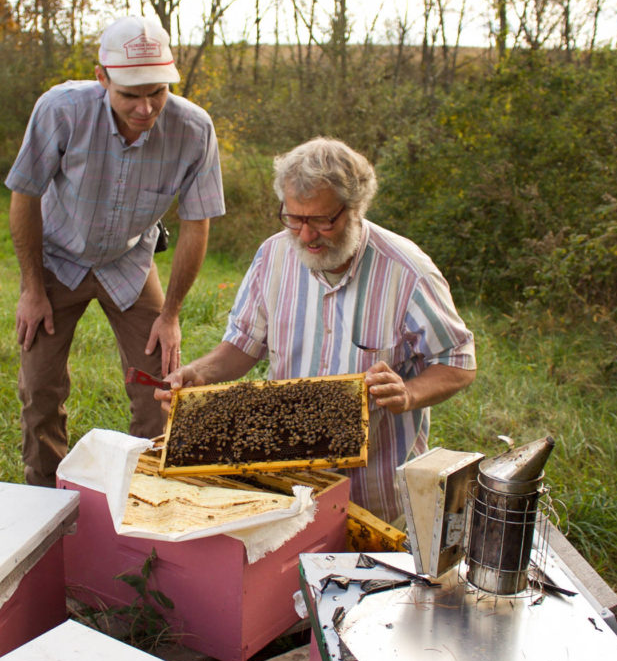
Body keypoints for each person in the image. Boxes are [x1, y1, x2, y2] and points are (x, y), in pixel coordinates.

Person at [156, 138, 475, 521]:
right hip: (287, 482)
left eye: (323, 221)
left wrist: (407, 392)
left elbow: (457, 363)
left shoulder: (408, 272)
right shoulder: (272, 256)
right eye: (295, 218)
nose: (306, 236)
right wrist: (201, 373)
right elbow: (243, 345)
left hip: (373, 496)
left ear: (356, 209)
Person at [7, 15, 225, 488]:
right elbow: (24, 195)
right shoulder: (61, 110)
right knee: (41, 385)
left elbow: (196, 223)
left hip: (129, 260)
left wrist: (170, 313)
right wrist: (31, 288)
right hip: (57, 257)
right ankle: (46, 494)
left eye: (157, 92)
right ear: (102, 77)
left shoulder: (194, 130)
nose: (146, 108)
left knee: (159, 385)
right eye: (130, 94)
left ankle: (145, 491)